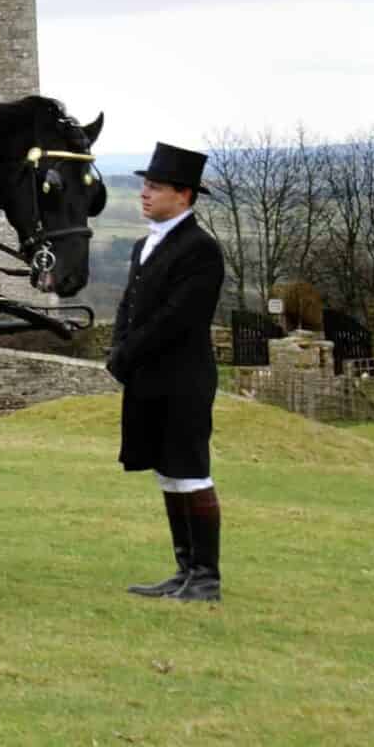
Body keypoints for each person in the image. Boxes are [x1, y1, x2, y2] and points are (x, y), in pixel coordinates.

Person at [107, 141, 227, 603]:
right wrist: (117, 348)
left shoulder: (201, 250)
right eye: (145, 186)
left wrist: (126, 355)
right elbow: (129, 306)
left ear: (184, 195)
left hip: (183, 379)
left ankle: (206, 577)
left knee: (191, 472)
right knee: (168, 473)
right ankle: (183, 570)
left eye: (155, 187)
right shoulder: (144, 245)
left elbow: (177, 319)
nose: (145, 194)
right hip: (149, 379)